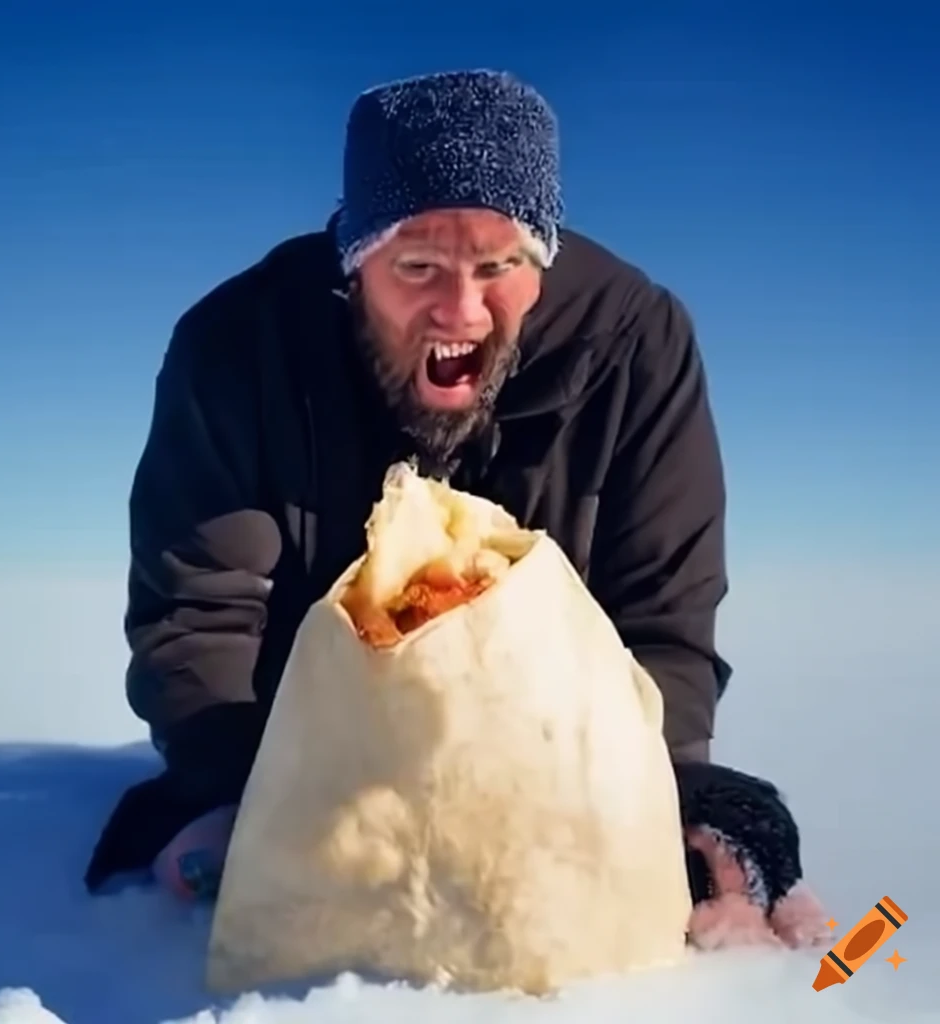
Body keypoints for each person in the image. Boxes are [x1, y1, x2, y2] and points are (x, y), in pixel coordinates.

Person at [84, 69, 827, 949]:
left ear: (541, 260)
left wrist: (661, 806)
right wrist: (234, 790)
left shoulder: (637, 346)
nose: (461, 308)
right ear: (355, 262)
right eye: (418, 264)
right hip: (303, 749)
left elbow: (661, 614)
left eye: (499, 264)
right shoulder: (241, 347)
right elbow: (200, 605)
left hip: (552, 759)